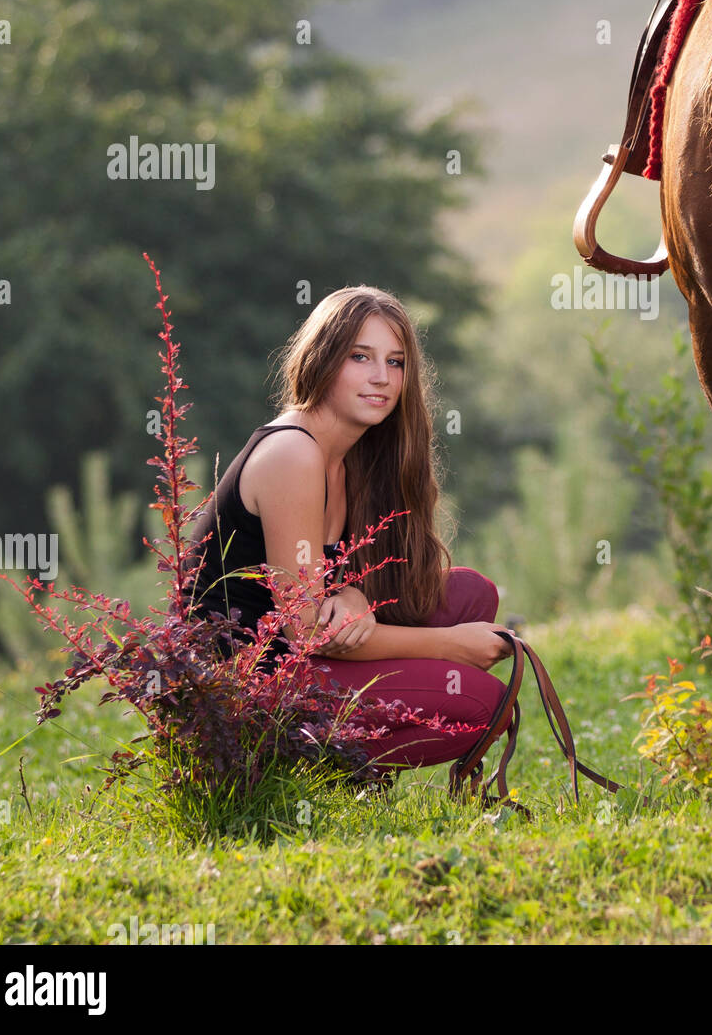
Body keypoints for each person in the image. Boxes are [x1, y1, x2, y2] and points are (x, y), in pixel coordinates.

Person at [184, 284, 511, 773]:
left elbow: (330, 586)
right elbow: (305, 629)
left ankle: (343, 746)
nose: (381, 378)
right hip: (254, 688)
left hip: (310, 656)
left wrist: (355, 593)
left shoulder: (354, 453)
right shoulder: (293, 453)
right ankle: (305, 765)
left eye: (396, 362)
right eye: (360, 357)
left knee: (470, 594)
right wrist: (450, 645)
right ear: (322, 359)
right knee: (485, 702)